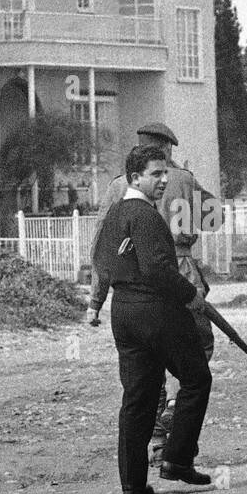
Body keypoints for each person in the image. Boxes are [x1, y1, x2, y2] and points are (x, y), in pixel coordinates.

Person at [86, 122, 216, 466]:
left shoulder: (118, 187)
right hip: (181, 272)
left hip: (136, 282)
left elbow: (103, 245)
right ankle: (175, 415)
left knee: (148, 364)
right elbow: (216, 218)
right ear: (167, 149)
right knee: (195, 352)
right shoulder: (185, 180)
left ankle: (158, 441)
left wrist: (95, 301)